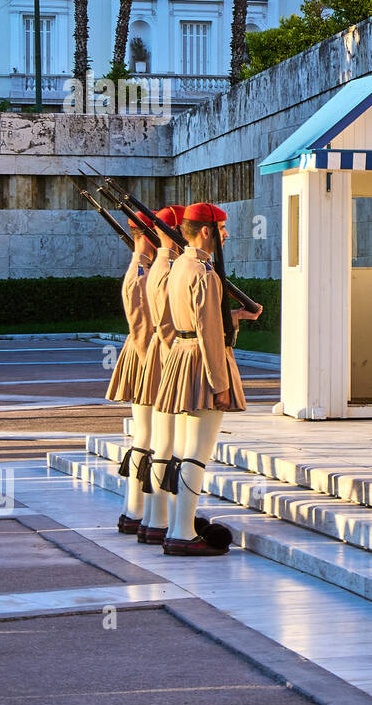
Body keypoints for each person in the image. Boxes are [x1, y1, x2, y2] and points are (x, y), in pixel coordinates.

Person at [153, 202, 261, 556]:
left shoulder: (180, 266)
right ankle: (183, 533)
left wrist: (235, 314)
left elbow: (190, 319)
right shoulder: (204, 272)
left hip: (183, 357)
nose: (226, 235)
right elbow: (210, 332)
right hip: (202, 360)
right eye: (223, 229)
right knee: (196, 455)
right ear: (206, 231)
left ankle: (176, 525)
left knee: (185, 451)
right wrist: (221, 384)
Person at [133, 204, 186, 546]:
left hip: (159, 355)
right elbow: (158, 323)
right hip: (167, 357)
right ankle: (162, 520)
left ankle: (151, 516)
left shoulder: (154, 267)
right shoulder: (163, 269)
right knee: (167, 444)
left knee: (158, 442)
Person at [105, 212, 156, 533]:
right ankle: (137, 511)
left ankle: (136, 510)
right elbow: (141, 327)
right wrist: (154, 367)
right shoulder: (141, 270)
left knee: (147, 436)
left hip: (147, 354)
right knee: (147, 436)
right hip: (145, 355)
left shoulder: (146, 266)